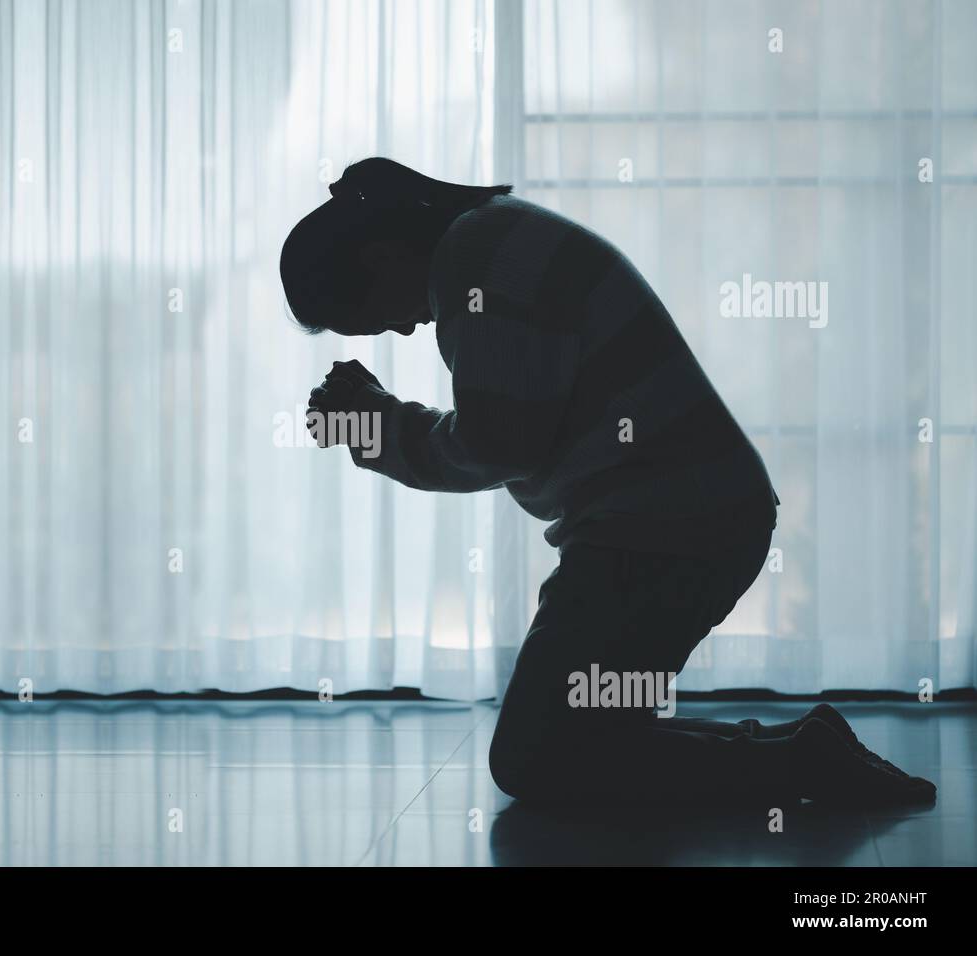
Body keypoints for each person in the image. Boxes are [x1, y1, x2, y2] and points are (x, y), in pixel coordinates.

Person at [279, 157, 935, 807]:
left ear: (378, 259)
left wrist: (377, 426)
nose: (399, 327)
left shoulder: (476, 258)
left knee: (534, 757)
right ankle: (799, 753)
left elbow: (497, 444)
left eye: (368, 316)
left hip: (664, 530)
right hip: (679, 522)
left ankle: (799, 763)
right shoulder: (490, 239)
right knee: (576, 736)